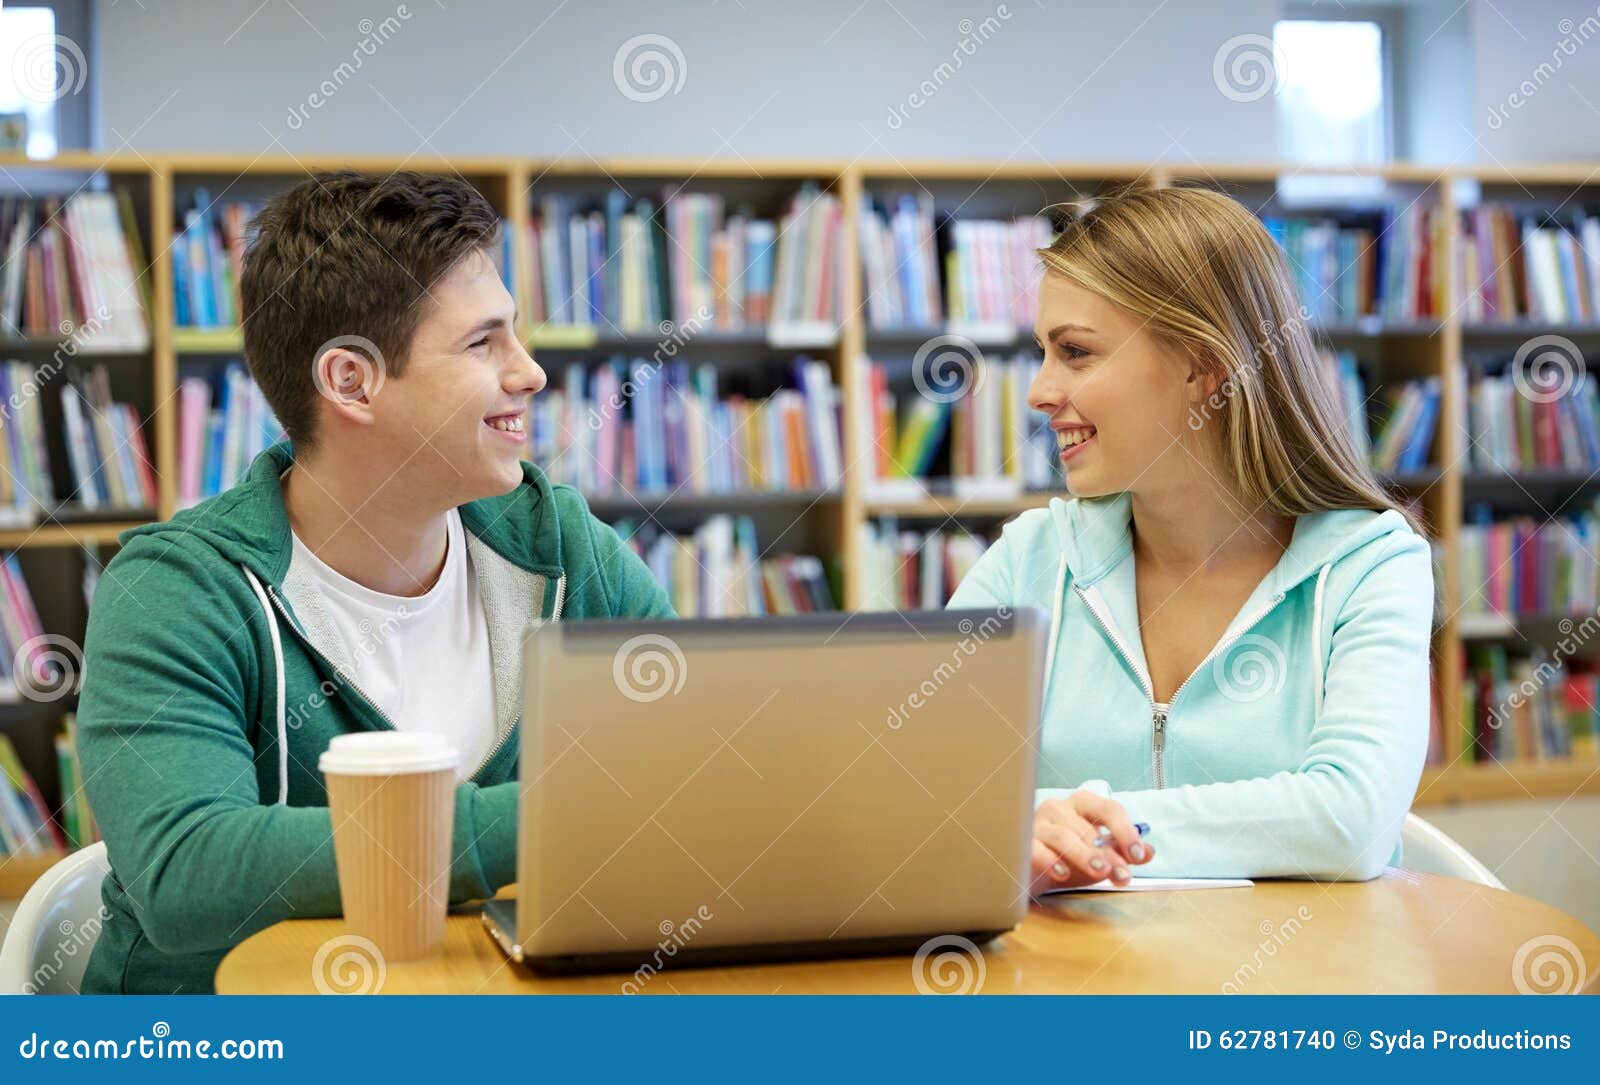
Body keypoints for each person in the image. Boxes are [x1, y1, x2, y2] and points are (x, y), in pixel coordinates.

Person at [76, 170, 673, 993]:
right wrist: (565, 816)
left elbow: (694, 755)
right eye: (482, 343)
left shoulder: (559, 543)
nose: (530, 372)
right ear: (351, 380)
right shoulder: (175, 590)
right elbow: (186, 870)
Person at [948, 186, 1433, 893]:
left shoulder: (1371, 565)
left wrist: (1078, 827)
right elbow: (908, 790)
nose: (1040, 391)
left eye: (1075, 353)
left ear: (1201, 365)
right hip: (1078, 986)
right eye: (1043, 353)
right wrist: (1022, 821)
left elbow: (1350, 818)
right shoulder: (1031, 561)